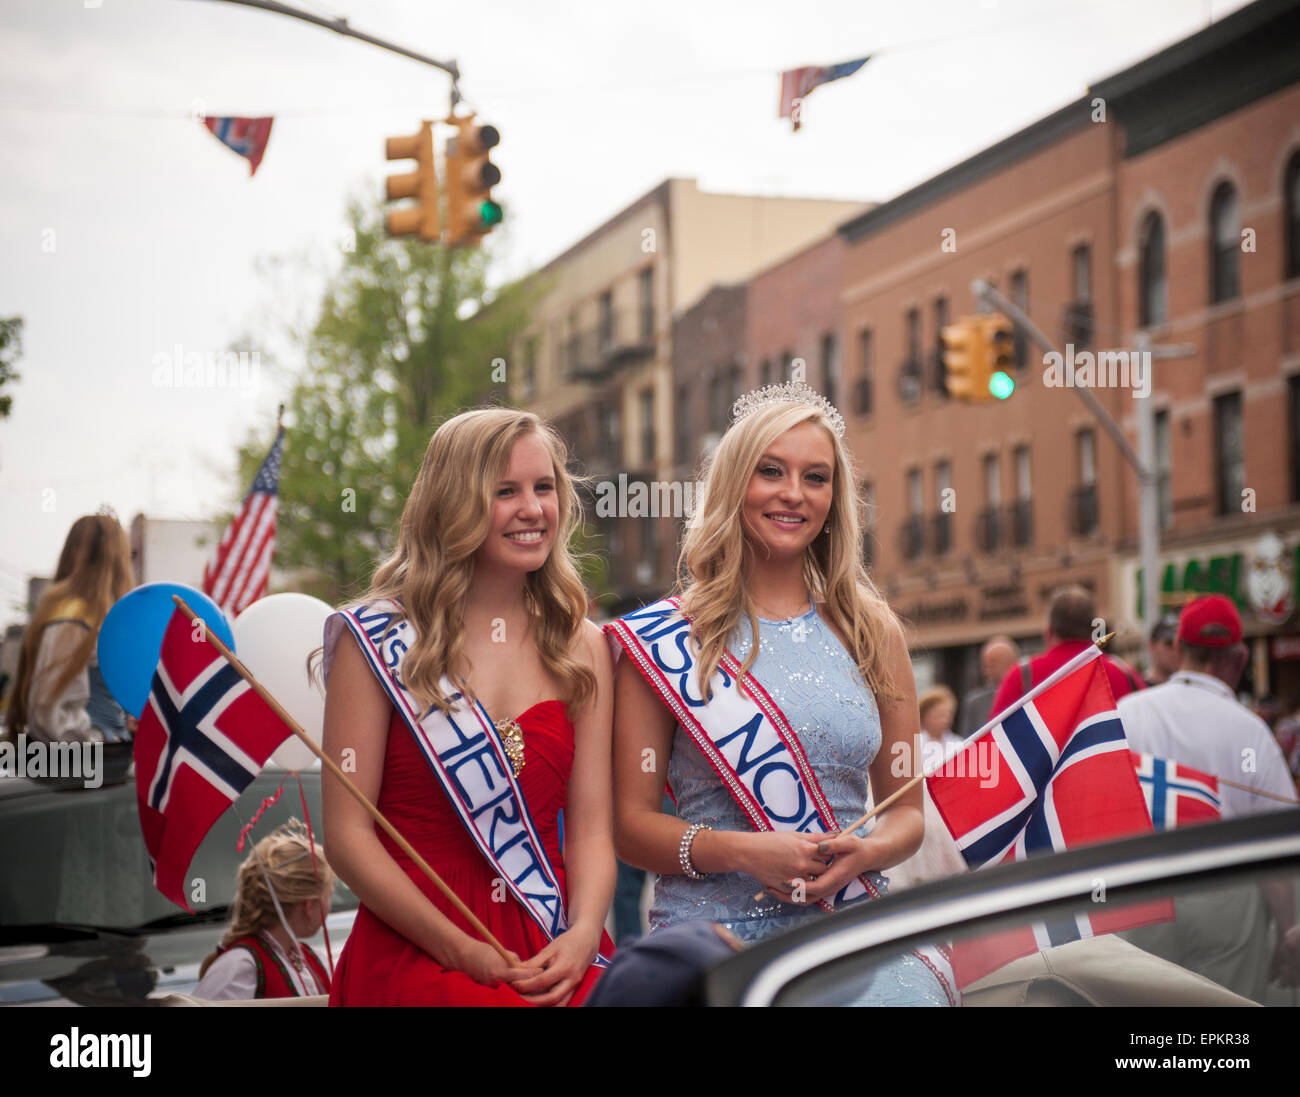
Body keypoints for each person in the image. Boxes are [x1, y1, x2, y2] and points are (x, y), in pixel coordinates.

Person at [608, 381, 957, 1006]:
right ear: (734, 483)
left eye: (815, 477)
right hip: (715, 939)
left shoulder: (871, 631)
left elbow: (907, 812)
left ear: (834, 498)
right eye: (771, 471)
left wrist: (867, 851)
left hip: (848, 928)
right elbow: (630, 827)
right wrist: (743, 853)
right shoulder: (669, 638)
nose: (794, 493)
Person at [321, 408, 616, 1006]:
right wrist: (462, 951)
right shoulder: (375, 639)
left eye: (544, 488)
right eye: (504, 491)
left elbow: (590, 830)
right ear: (454, 505)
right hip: (418, 944)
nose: (533, 509)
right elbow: (348, 836)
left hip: (547, 935)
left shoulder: (581, 645)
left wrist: (584, 935)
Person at [1116, 594, 1299, 1000]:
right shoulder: (1250, 732)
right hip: (1224, 895)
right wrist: (1290, 929)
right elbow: (1274, 840)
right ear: (1239, 658)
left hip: (1138, 890)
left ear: (1179, 649)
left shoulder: (1126, 713)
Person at [9, 511, 135, 745]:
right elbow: (51, 715)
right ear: (115, 560)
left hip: (94, 767)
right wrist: (97, 739)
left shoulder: (84, 615)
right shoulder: (74, 617)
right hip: (86, 771)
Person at [194, 819, 334, 1000]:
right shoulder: (241, 967)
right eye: (328, 894)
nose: (329, 905)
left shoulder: (314, 960)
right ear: (308, 906)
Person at [989, 584, 1144, 718]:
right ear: (1094, 627)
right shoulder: (1124, 674)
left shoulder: (1023, 676)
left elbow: (991, 743)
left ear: (1049, 630)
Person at [956, 635, 1019, 738]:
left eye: (992, 665)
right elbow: (968, 744)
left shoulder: (1030, 695)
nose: (986, 672)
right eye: (985, 666)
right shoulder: (975, 703)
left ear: (1011, 663)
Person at [917, 685, 961, 770]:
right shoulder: (914, 745)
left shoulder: (959, 744)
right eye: (939, 715)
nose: (945, 720)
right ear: (924, 716)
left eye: (948, 715)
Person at [1144, 615, 1180, 687]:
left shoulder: (1192, 691)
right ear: (1152, 645)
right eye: (1169, 644)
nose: (1176, 650)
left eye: (1180, 644)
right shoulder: (1136, 689)